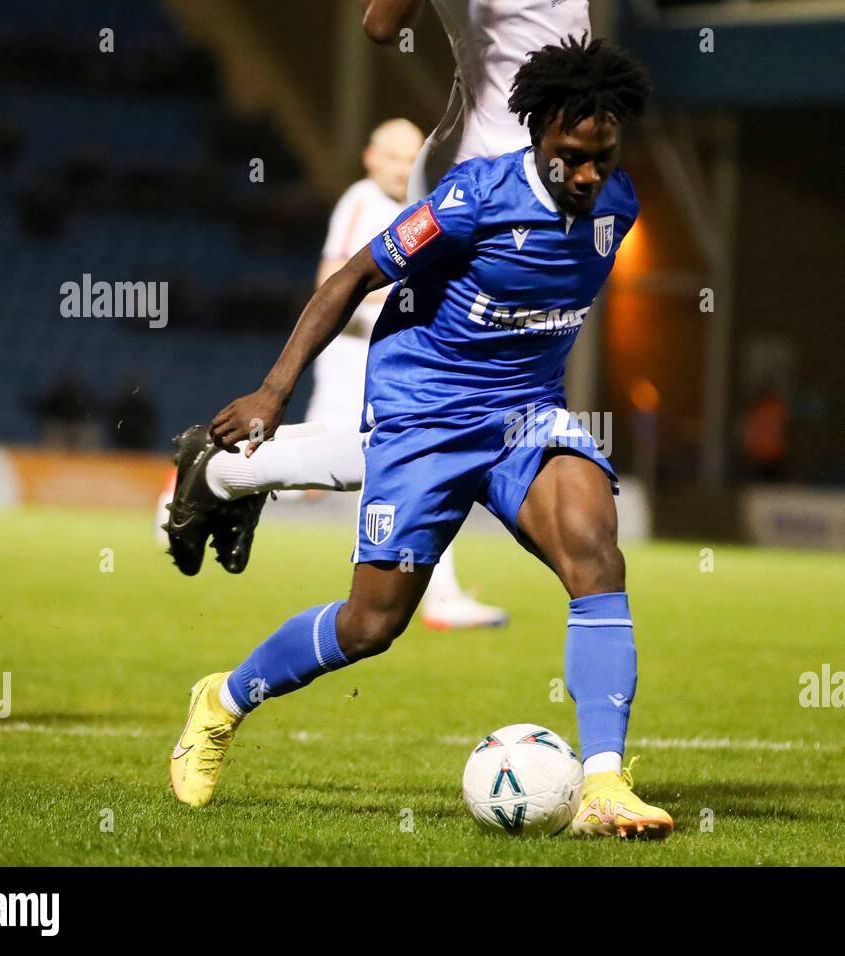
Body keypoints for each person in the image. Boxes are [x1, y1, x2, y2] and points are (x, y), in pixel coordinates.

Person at [169, 35, 671, 839]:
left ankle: (605, 783)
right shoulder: (473, 200)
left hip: (524, 415)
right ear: (538, 131)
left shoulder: (619, 206)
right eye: (573, 157)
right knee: (371, 626)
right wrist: (271, 390)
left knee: (595, 549)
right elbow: (351, 279)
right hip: (426, 416)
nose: (587, 176)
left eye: (602, 159)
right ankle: (221, 701)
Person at [163, 0, 592, 597]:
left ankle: (231, 468)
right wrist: (273, 390)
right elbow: (381, 25)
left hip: (551, 179)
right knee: (427, 431)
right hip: (483, 179)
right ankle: (231, 470)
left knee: (450, 426)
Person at [160, 119, 507, 628]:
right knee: (371, 463)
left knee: (400, 460)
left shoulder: (420, 206)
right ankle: (194, 478)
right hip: (352, 356)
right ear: (370, 157)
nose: (401, 168)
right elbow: (332, 278)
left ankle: (210, 469)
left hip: (394, 359)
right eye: (392, 157)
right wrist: (411, 301)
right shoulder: (361, 202)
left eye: (411, 158)